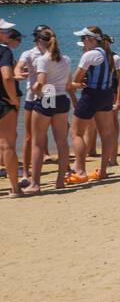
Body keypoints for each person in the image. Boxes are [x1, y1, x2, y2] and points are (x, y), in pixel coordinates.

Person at [21, 26, 71, 193]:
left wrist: (34, 89)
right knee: (62, 141)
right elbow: (68, 83)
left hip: (48, 95)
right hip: (62, 97)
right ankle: (60, 180)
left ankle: (35, 183)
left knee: (38, 141)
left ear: (41, 43)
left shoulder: (43, 59)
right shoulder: (66, 59)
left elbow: (41, 83)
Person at [65, 26, 118, 185]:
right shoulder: (108, 54)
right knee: (106, 134)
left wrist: (72, 85)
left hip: (91, 95)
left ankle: (80, 171)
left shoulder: (89, 55)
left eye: (83, 39)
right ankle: (103, 171)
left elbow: (76, 79)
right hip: (106, 94)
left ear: (92, 39)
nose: (82, 42)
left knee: (76, 133)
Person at [14, 26, 46, 189]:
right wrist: (19, 74)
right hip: (32, 95)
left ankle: (65, 168)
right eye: (43, 36)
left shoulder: (54, 53)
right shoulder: (29, 53)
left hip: (49, 94)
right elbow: (18, 67)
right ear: (37, 38)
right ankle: (26, 173)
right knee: (29, 136)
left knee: (49, 132)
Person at [0, 20, 22, 197]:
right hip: (3, 101)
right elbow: (7, 77)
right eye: (5, 30)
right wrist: (14, 99)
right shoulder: (4, 51)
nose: (8, 33)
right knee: (7, 145)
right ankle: (15, 188)